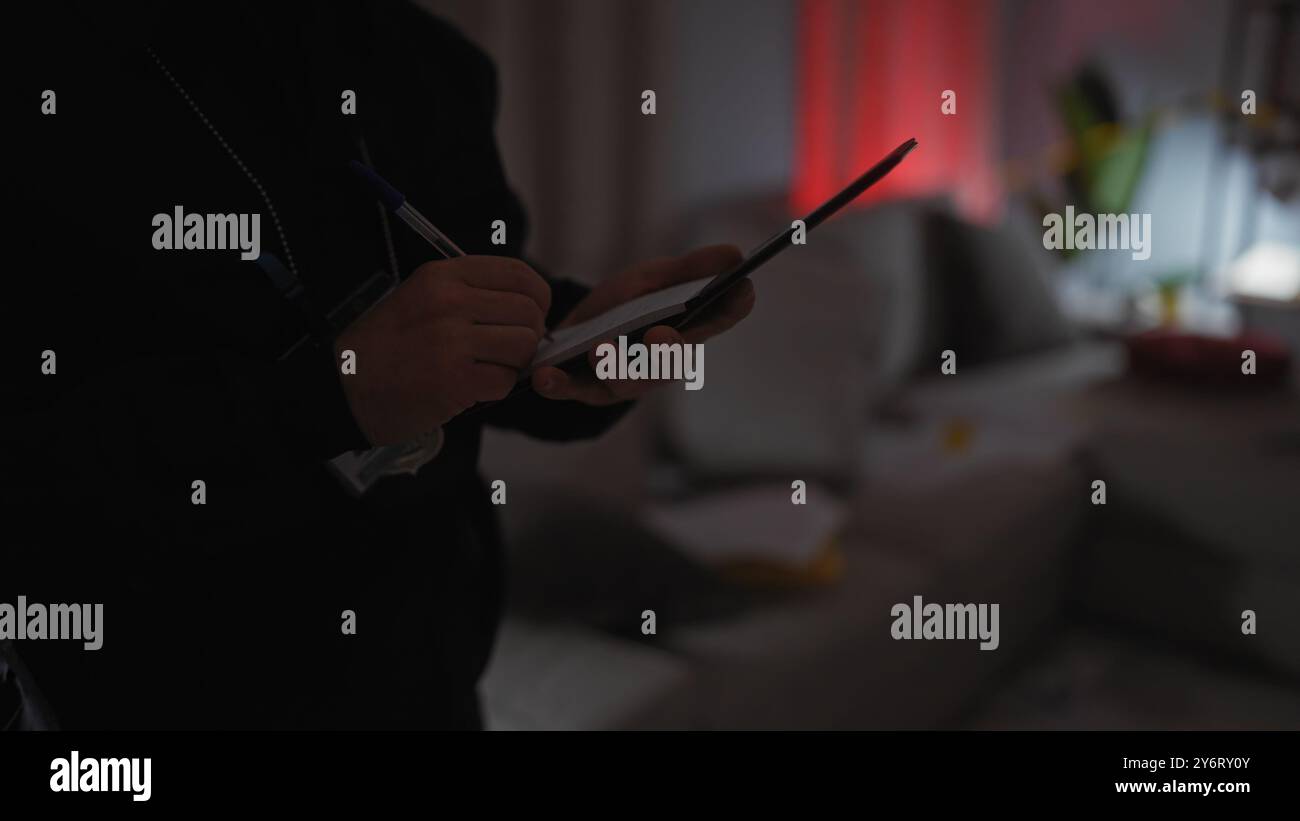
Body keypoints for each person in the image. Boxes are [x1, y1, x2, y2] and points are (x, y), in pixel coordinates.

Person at [0, 0, 753, 729]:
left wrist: (572, 336)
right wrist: (332, 395)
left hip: (430, 675)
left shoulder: (421, 57)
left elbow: (460, 305)